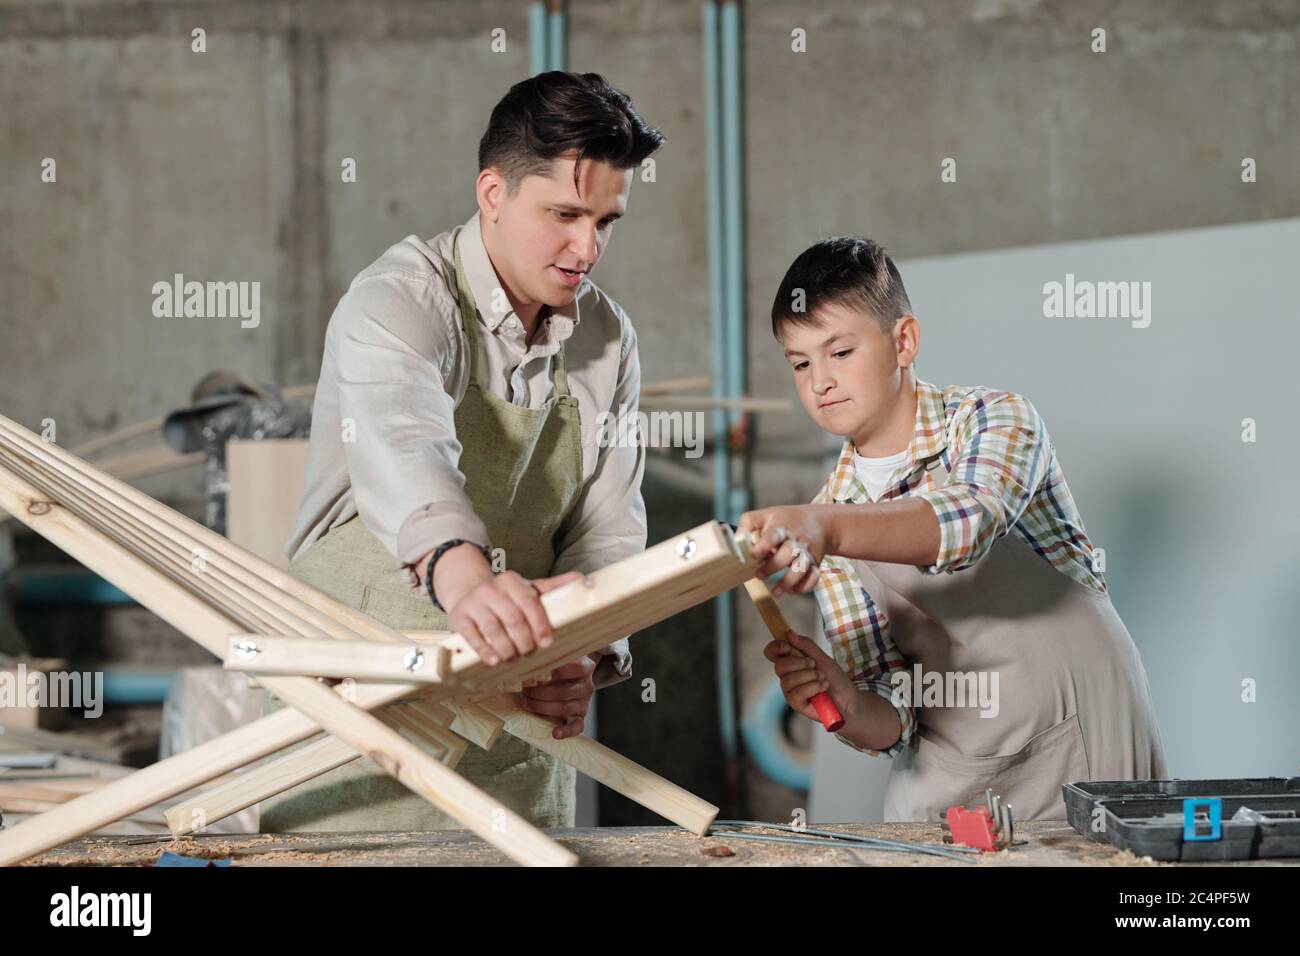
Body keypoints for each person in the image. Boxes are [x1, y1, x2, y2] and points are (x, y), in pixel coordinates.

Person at [266, 71, 664, 831]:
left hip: (509, 751)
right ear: (493, 193)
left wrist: (587, 652)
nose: (588, 247)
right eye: (565, 214)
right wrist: (466, 579)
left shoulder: (607, 338)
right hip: (348, 735)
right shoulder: (395, 301)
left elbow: (607, 527)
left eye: (607, 221)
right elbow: (402, 442)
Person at [740, 237, 1167, 821]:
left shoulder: (994, 420)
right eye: (800, 363)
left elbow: (967, 523)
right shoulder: (829, 521)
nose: (819, 382)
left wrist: (823, 525)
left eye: (839, 351)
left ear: (904, 341)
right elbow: (894, 717)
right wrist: (843, 698)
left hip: (1087, 738)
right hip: (960, 767)